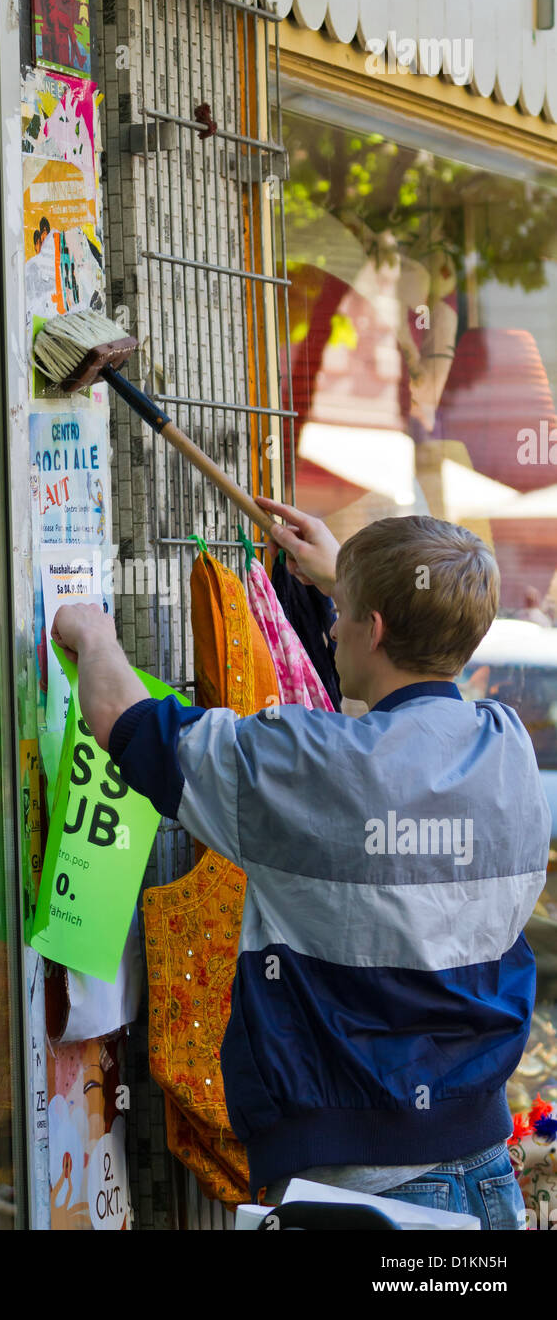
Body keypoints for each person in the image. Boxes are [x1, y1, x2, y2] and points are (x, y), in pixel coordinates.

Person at [51, 502, 551, 1230]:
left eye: (341, 614)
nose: (328, 626)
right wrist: (350, 578)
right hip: (483, 1172)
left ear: (372, 629)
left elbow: (134, 729)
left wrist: (89, 629)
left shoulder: (309, 765)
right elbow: (415, 674)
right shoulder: (507, 749)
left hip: (365, 1198)